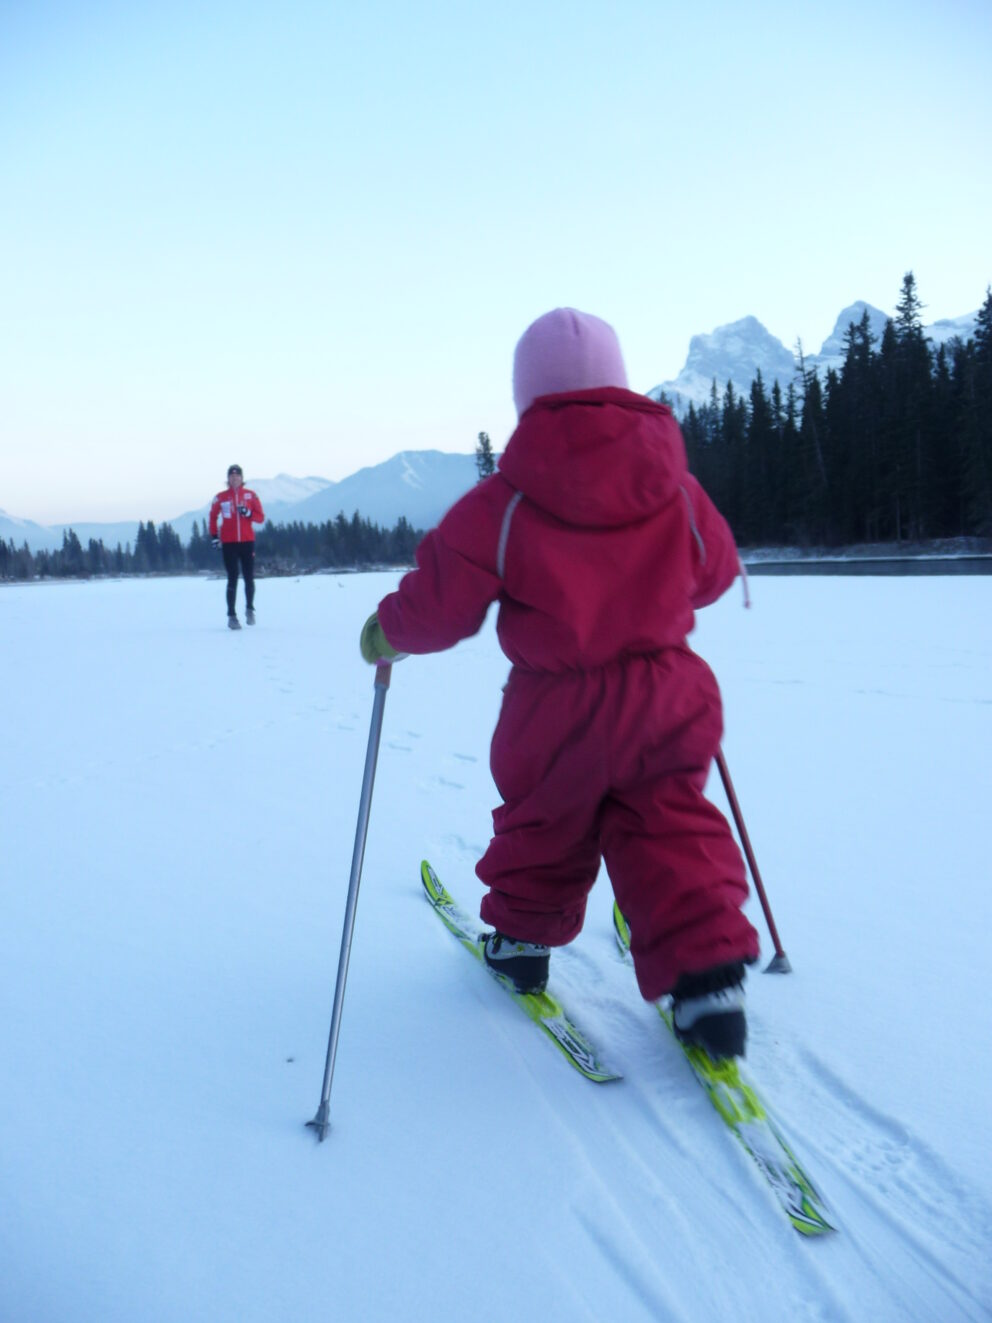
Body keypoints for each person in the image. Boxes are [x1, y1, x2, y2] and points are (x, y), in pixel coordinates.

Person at [359, 309, 759, 1058]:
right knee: (669, 821)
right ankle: (708, 984)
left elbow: (442, 603)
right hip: (666, 695)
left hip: (556, 709)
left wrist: (388, 630)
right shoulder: (674, 484)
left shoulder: (506, 501)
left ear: (527, 398)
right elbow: (714, 571)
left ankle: (521, 945)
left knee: (546, 822)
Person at [208, 464, 265, 629]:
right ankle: (232, 616)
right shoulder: (220, 497)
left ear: (242, 478)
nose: (234, 479)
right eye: (231, 476)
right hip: (229, 543)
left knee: (249, 577)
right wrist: (214, 537)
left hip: (247, 542)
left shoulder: (251, 496)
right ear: (228, 479)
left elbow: (261, 517)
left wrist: (248, 513)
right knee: (232, 577)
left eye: (237, 476)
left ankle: (249, 609)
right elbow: (212, 517)